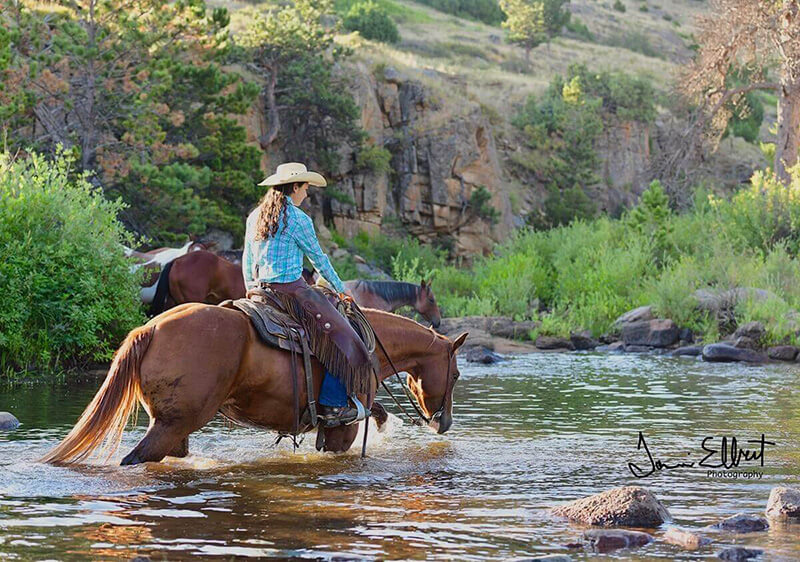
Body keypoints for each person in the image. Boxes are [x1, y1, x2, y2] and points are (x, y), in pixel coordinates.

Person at [242, 162, 373, 427]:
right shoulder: (298, 219)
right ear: (294, 187)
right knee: (343, 336)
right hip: (291, 293)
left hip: (259, 291)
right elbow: (318, 259)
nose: (307, 193)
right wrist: (341, 289)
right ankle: (333, 405)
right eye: (305, 187)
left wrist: (249, 289)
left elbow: (247, 258)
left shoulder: (255, 216)